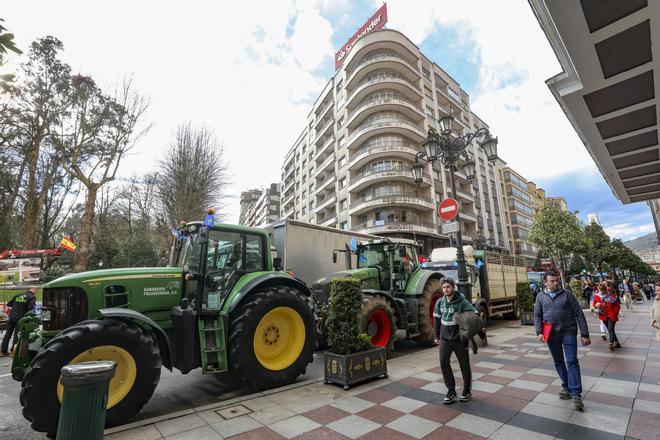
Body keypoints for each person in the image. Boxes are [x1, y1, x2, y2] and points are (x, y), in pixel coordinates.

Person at [534, 270, 591, 411]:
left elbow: (579, 313)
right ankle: (567, 386)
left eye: (556, 280)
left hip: (568, 332)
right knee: (558, 362)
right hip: (551, 334)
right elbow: (537, 314)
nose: (555, 283)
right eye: (552, 281)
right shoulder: (540, 296)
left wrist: (584, 334)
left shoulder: (567, 295)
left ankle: (576, 393)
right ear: (546, 282)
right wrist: (539, 331)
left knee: (571, 361)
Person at [434, 277, 476, 404]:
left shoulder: (461, 301)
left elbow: (474, 314)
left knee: (464, 364)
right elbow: (436, 319)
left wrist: (467, 324)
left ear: (453, 287)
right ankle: (451, 390)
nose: (446, 289)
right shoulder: (440, 302)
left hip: (459, 338)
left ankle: (467, 390)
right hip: (445, 338)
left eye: (448, 287)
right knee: (443, 362)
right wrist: (436, 336)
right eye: (444, 287)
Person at [1, 287, 37, 356]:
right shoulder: (32, 297)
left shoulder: (17, 295)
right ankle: (13, 352)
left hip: (11, 317)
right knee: (16, 335)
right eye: (36, 292)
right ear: (34, 290)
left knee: (7, 334)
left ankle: (3, 351)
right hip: (20, 319)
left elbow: (9, 304)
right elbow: (31, 309)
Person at [593, 282, 621, 350]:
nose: (602, 292)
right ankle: (617, 342)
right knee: (610, 329)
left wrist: (614, 313)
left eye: (603, 291)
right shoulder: (597, 296)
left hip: (612, 315)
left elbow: (617, 306)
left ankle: (611, 343)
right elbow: (594, 303)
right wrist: (596, 305)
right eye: (600, 291)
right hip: (603, 315)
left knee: (611, 329)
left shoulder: (611, 296)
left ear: (605, 290)